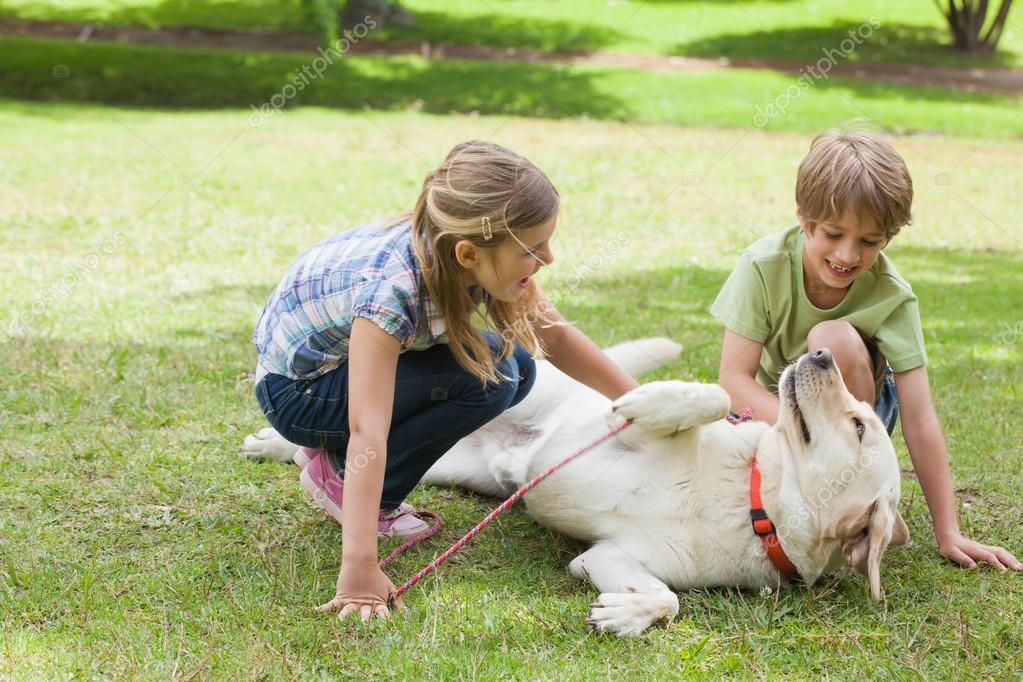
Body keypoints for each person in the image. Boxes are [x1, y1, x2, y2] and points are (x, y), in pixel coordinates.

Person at [252, 140, 639, 622]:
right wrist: (359, 573)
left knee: (513, 367)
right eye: (533, 249)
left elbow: (553, 336)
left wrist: (643, 402)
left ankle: (330, 462)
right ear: (469, 252)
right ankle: (341, 477)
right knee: (490, 374)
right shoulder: (392, 293)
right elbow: (366, 430)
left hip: (332, 374)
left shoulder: (459, 256)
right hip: (299, 395)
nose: (550, 258)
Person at [711, 129, 1021, 573]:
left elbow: (918, 416)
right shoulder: (762, 266)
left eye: (870, 242)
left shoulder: (892, 296)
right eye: (834, 233)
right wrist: (798, 430)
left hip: (857, 420)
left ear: (888, 238)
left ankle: (849, 485)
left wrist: (948, 531)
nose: (847, 254)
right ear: (803, 217)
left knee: (831, 339)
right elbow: (733, 380)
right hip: (779, 413)